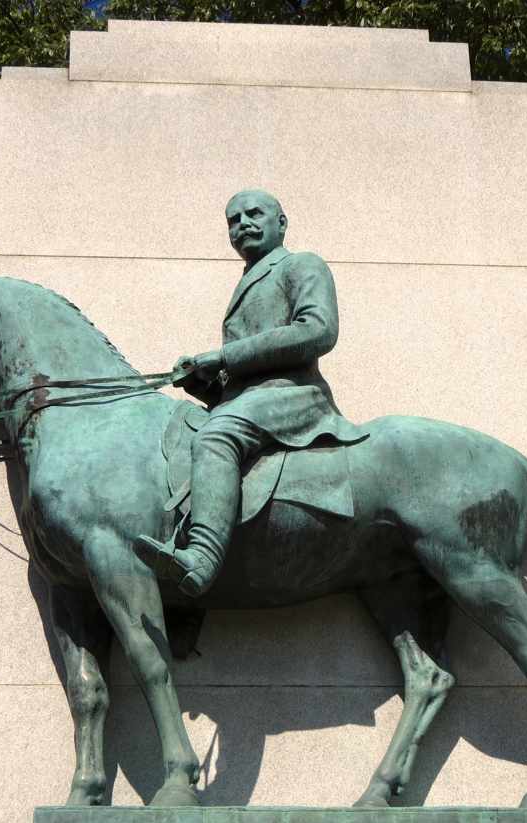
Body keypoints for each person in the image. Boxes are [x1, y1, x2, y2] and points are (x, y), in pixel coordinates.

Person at [133, 190, 365, 596]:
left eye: (254, 214)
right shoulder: (246, 283)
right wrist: (203, 382)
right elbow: (241, 377)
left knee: (214, 437)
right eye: (233, 220)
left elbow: (318, 330)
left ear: (282, 223)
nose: (242, 224)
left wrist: (223, 356)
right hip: (254, 401)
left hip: (293, 395)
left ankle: (202, 558)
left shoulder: (301, 265)